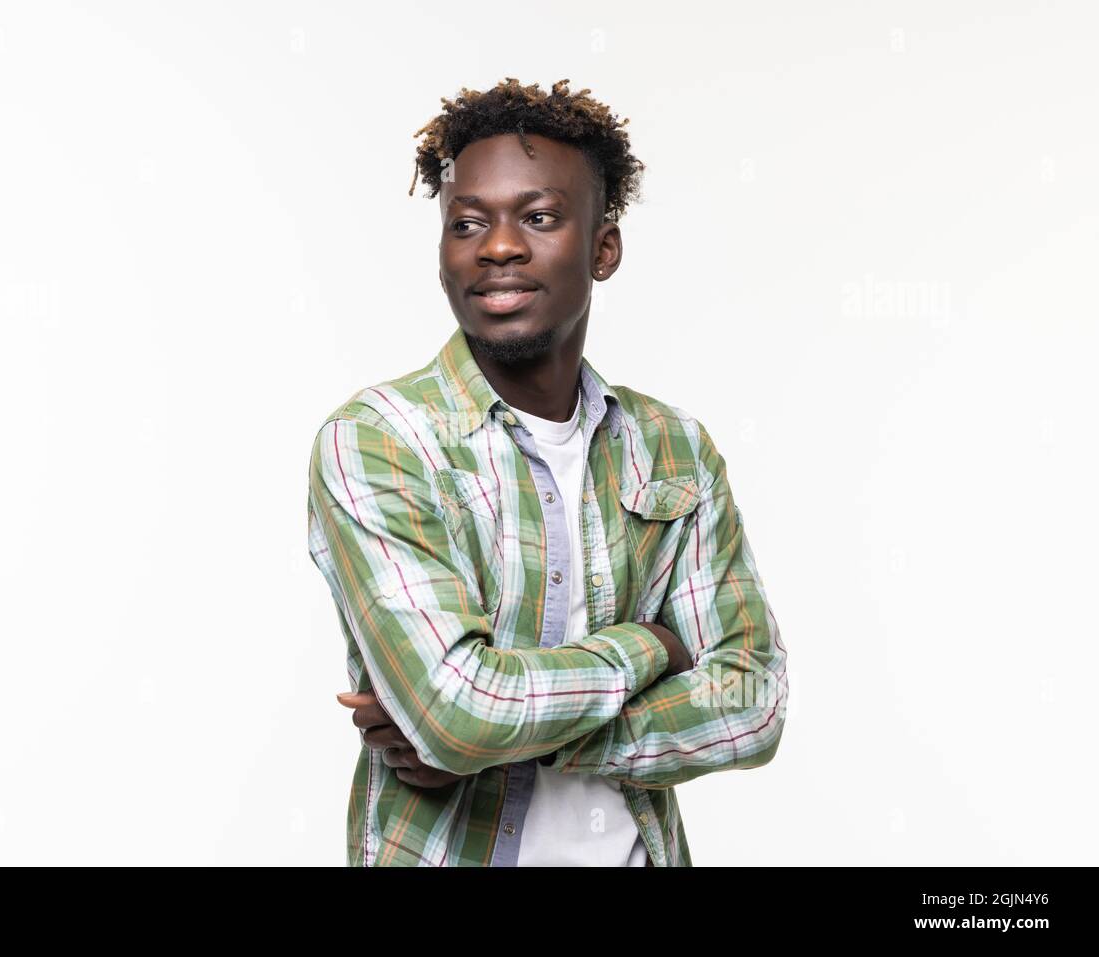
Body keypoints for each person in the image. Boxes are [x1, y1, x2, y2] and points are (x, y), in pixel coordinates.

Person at [306, 78, 788, 867]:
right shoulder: (379, 442)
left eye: (538, 217)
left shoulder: (675, 450)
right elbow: (455, 706)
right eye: (468, 223)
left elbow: (752, 701)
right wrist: (654, 646)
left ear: (604, 247)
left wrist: (505, 740)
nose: (498, 246)